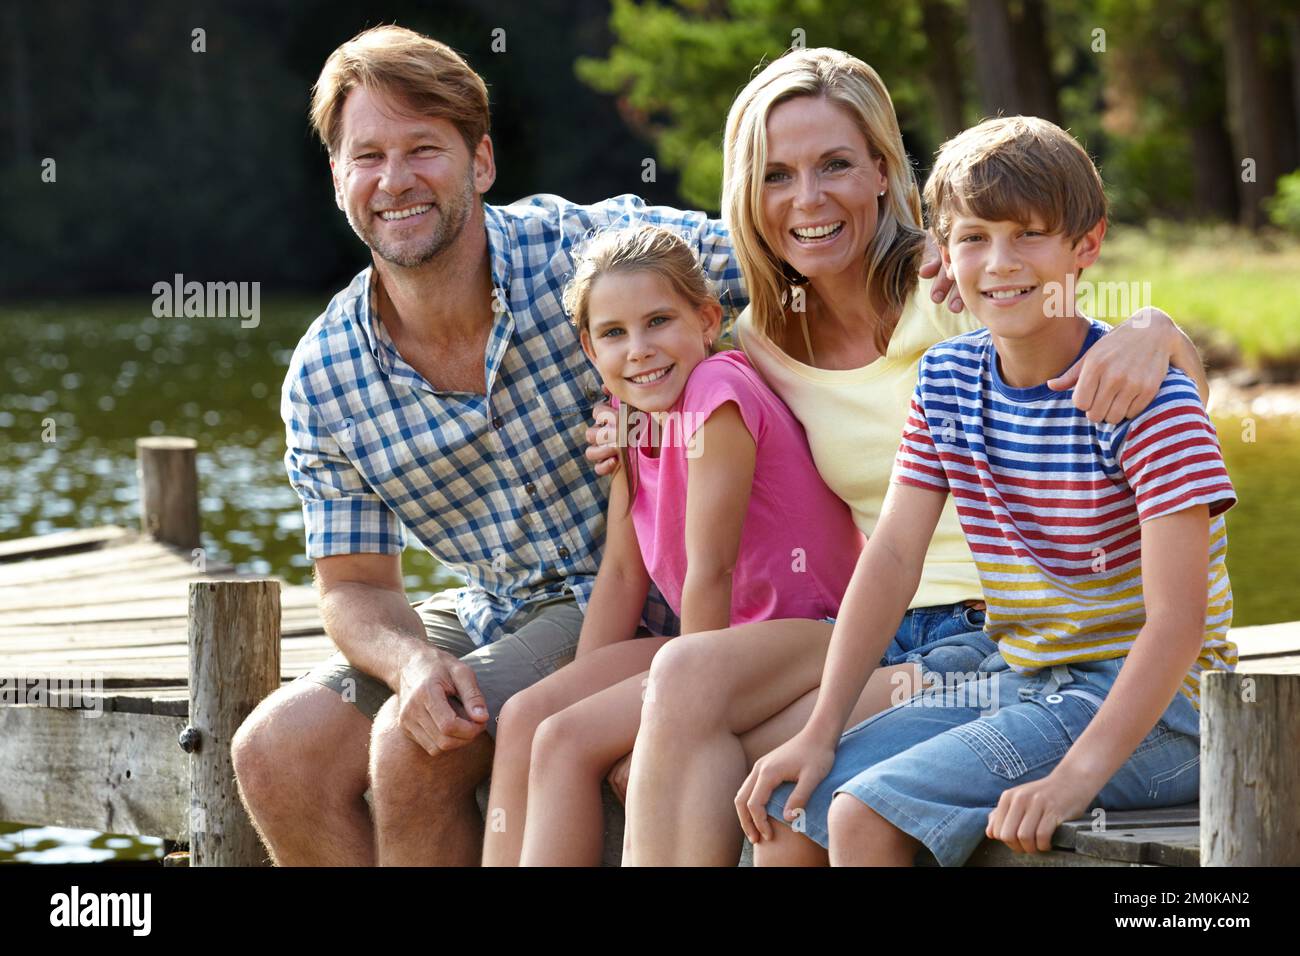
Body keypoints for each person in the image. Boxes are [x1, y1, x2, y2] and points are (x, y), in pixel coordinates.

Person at [600, 47, 1215, 866]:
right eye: (777, 175)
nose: (807, 199)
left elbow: (1179, 601)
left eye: (836, 166)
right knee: (745, 755)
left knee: (814, 798)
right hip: (943, 647)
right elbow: (887, 550)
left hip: (1024, 654)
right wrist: (629, 427)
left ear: (887, 174)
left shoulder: (971, 301)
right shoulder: (775, 345)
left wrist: (1160, 330)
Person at [228, 25, 746, 866]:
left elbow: (778, 255)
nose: (395, 181)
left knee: (413, 744)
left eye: (424, 149)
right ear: (336, 178)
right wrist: (409, 663)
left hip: (636, 593)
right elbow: (354, 585)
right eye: (367, 157)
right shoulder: (325, 375)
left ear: (481, 162)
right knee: (271, 754)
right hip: (494, 602)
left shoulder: (584, 254)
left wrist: (930, 258)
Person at [737, 114, 1236, 866]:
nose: (999, 263)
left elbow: (1177, 625)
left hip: (1170, 713)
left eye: (1026, 235)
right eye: (972, 238)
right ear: (942, 251)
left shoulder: (1146, 400)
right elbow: (895, 554)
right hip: (1026, 678)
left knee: (863, 816)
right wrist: (821, 727)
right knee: (788, 802)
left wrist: (1075, 780)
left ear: (1086, 246)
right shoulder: (948, 380)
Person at [480, 225, 860, 866]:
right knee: (530, 717)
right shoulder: (631, 419)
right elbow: (624, 573)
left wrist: (664, 733)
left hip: (813, 634)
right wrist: (591, 696)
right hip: (719, 644)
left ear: (707, 320)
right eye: (614, 333)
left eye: (659, 321)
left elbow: (710, 574)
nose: (639, 350)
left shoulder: (717, 395)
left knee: (569, 740)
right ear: (589, 347)